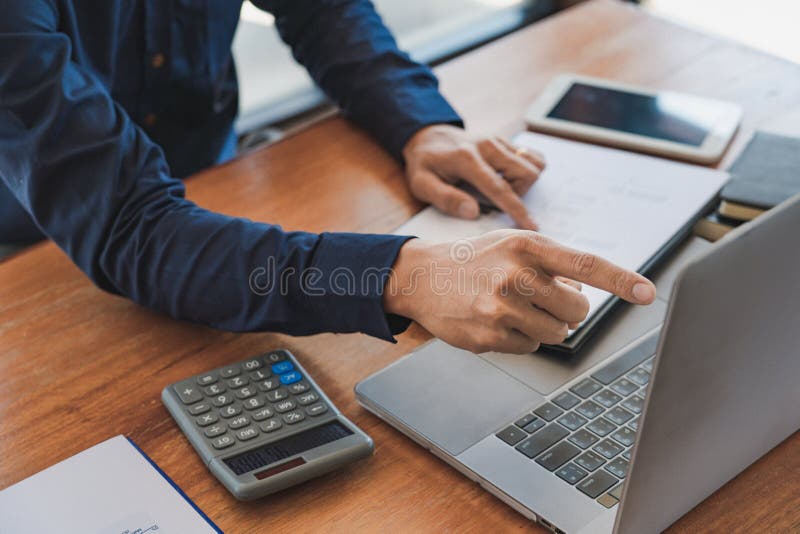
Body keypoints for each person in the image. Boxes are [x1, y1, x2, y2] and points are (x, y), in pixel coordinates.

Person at [0, 0, 656, 354]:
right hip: (37, 257)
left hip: (215, 189)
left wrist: (419, 123)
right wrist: (400, 275)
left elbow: (320, 10)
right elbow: (130, 227)